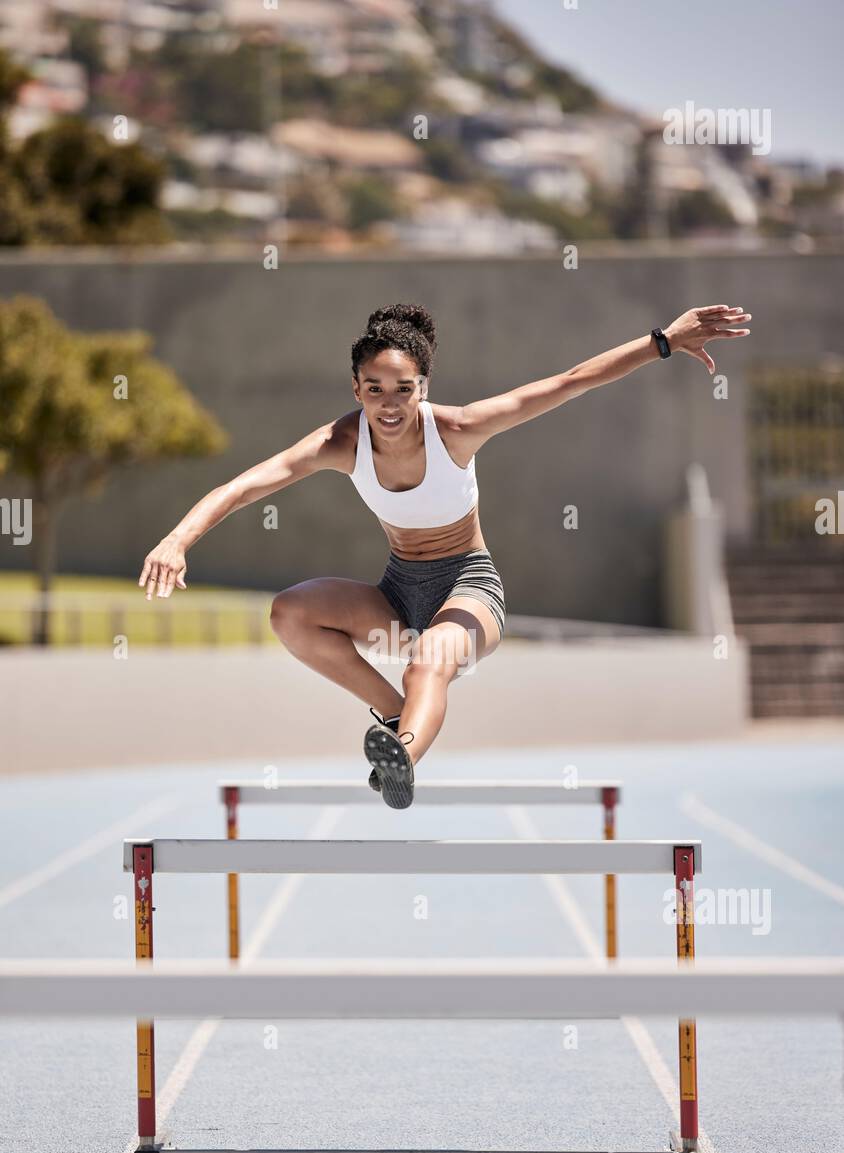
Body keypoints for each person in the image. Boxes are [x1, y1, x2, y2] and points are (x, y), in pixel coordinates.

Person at [139, 301, 751, 809]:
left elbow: (569, 383)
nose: (389, 405)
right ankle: (397, 717)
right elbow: (245, 485)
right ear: (355, 387)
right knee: (290, 614)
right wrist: (177, 539)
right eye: (374, 389)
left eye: (403, 390)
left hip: (470, 590)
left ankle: (403, 752)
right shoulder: (339, 442)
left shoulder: (458, 429)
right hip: (398, 592)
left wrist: (663, 342)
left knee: (430, 660)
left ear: (422, 389)